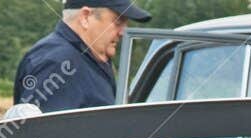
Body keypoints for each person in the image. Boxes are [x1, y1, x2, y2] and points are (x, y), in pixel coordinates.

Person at [14, 1, 150, 114]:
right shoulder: (58, 63)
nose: (123, 32)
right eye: (118, 22)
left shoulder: (91, 58)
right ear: (85, 17)